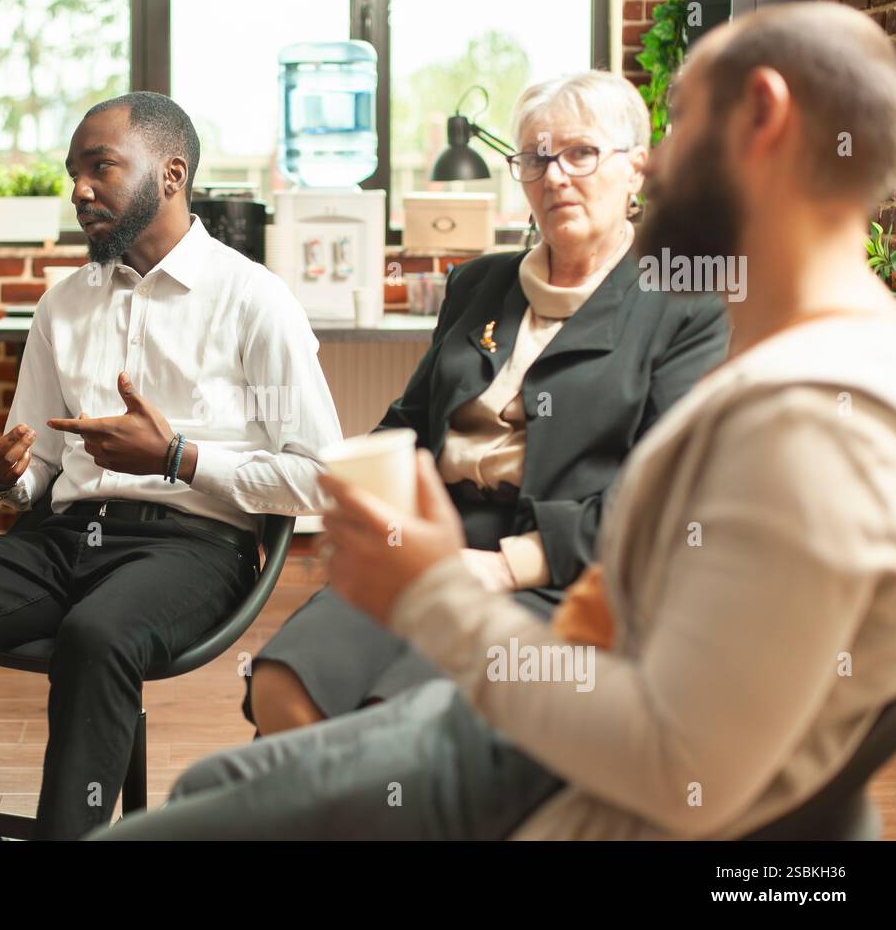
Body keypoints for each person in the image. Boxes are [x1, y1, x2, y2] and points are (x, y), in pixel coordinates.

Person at [94, 2, 896, 840]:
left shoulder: (811, 424)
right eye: (537, 157)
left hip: (565, 764)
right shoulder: (798, 375)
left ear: (763, 115)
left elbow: (677, 762)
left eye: (680, 122)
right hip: (554, 707)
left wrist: (435, 592)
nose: (655, 160)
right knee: (224, 769)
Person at [0, 92, 343, 840]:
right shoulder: (63, 304)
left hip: (193, 549)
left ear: (171, 174)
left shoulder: (254, 300)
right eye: (73, 172)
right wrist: (3, 473)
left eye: (100, 167)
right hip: (62, 539)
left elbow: (320, 479)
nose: (79, 189)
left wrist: (177, 457)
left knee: (96, 634)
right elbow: (36, 471)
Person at [247, 70, 727, 737]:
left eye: (581, 154)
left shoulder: (683, 303)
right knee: (284, 687)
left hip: (562, 568)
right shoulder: (480, 283)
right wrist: (357, 492)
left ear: (636, 169)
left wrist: (507, 564)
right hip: (434, 540)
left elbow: (660, 497)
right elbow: (412, 423)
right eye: (536, 158)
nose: (555, 177)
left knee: (396, 725)